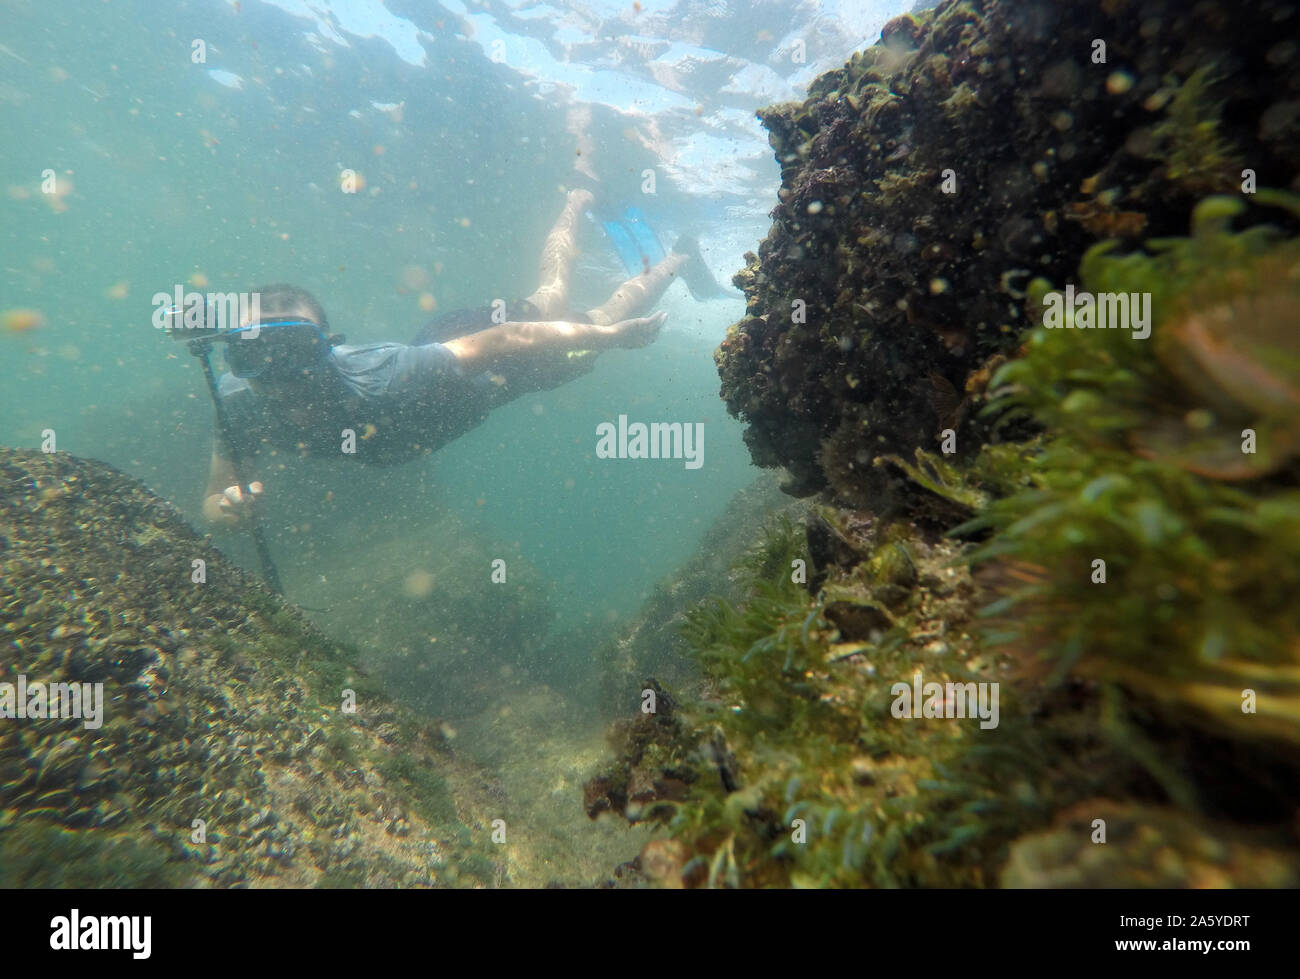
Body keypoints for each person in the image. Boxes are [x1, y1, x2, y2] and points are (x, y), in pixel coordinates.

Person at [203, 188, 720, 525]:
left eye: (294, 352)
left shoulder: (383, 375)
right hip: (451, 360)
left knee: (579, 309)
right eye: (253, 355)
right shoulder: (240, 406)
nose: (278, 376)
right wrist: (225, 508)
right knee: (555, 298)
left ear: (327, 347)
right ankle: (581, 206)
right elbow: (215, 494)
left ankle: (662, 247)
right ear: (233, 359)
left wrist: (615, 341)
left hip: (493, 363)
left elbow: (501, 342)